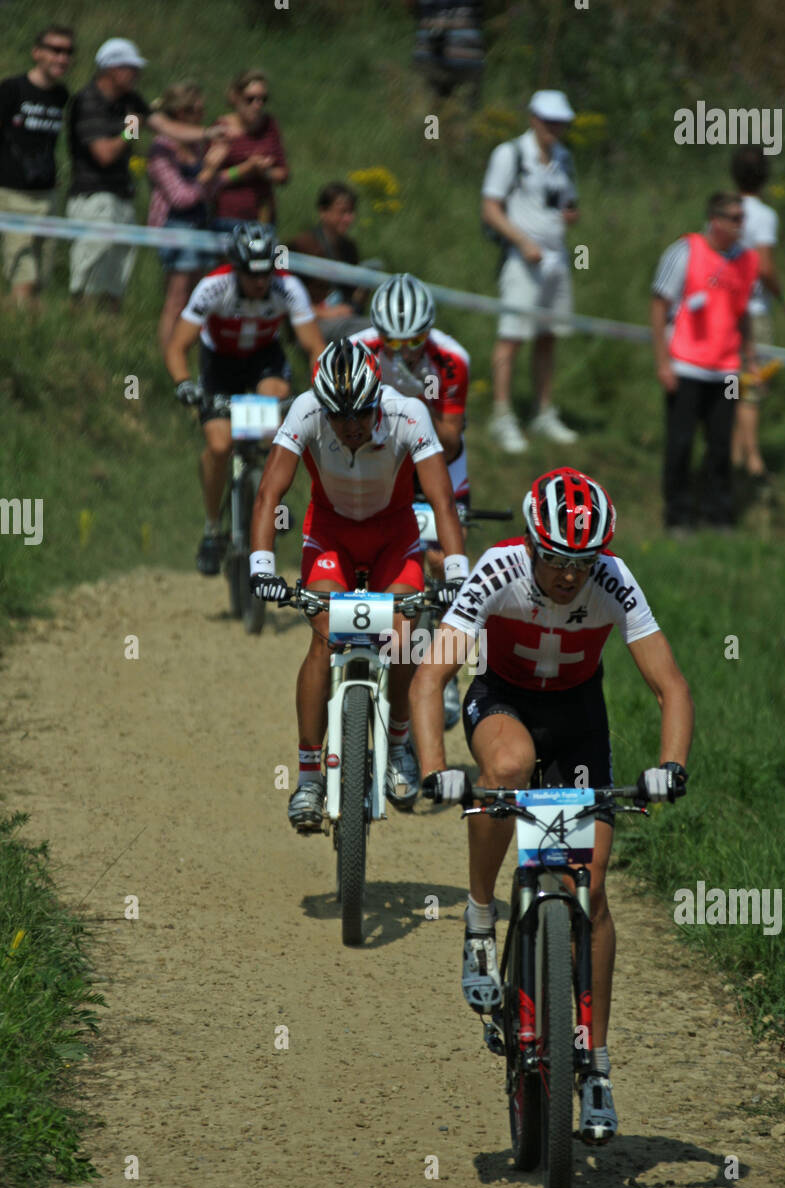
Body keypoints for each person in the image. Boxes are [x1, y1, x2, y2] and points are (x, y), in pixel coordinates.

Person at [411, 467, 693, 1144]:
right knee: (506, 770)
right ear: (532, 544)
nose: (569, 576)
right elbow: (432, 676)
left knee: (590, 888)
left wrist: (672, 767)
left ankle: (594, 1063)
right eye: (556, 560)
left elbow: (671, 687)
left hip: (577, 718)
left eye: (582, 563)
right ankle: (481, 921)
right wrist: (433, 770)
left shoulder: (615, 579)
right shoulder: (498, 566)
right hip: (504, 701)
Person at [248, 337, 468, 828]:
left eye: (360, 416)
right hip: (330, 537)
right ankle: (308, 778)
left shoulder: (409, 414)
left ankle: (399, 743)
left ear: (377, 401)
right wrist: (261, 567)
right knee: (324, 638)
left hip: (394, 538)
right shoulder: (305, 410)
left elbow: (443, 502)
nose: (349, 428)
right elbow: (268, 493)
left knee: (405, 636)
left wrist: (456, 573)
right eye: (337, 417)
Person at [164, 221, 324, 574]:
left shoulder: (288, 287)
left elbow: (314, 344)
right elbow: (178, 344)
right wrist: (183, 383)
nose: (260, 281)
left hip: (263, 361)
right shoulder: (214, 286)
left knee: (275, 407)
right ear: (235, 269)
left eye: (266, 272)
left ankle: (270, 491)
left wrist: (319, 386)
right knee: (219, 447)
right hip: (220, 364)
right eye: (252, 274)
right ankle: (211, 527)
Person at [351, 271, 471, 727]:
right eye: (393, 343)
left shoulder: (452, 359)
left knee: (443, 557)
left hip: (438, 457)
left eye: (413, 341)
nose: (402, 351)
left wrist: (414, 399)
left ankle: (447, 663)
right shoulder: (358, 351)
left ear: (430, 331)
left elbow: (452, 441)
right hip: (382, 456)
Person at [67, 37, 216, 309]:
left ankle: (107, 331)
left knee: (116, 277)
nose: (137, 74)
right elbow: (104, 154)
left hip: (121, 196)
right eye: (131, 68)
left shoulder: (131, 100)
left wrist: (209, 133)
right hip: (94, 197)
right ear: (112, 69)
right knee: (90, 272)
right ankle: (80, 325)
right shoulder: (87, 101)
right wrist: (129, 132)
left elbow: (168, 127)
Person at [650, 192, 760, 535]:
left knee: (720, 444)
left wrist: (750, 359)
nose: (740, 225)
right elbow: (658, 305)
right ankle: (678, 516)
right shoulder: (684, 251)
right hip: (686, 366)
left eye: (742, 218)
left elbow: (744, 315)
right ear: (715, 220)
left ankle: (718, 514)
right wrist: (662, 361)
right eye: (734, 218)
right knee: (681, 443)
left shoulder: (746, 261)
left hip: (726, 369)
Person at [481, 89, 580, 454]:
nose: (556, 128)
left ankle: (542, 410)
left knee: (548, 334)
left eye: (561, 122)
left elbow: (565, 203)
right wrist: (522, 241)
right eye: (550, 120)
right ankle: (502, 414)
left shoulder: (564, 159)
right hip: (522, 259)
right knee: (512, 335)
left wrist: (569, 216)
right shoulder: (510, 154)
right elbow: (490, 207)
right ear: (534, 119)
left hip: (557, 257)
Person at [730, 147, 785, 480]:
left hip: (724, 309)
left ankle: (735, 454)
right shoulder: (765, 216)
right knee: (752, 387)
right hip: (753, 310)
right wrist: (783, 298)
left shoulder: (723, 210)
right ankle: (753, 460)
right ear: (765, 178)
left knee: (733, 384)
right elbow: (766, 267)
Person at [147, 81, 228, 352]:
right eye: (197, 111)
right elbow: (180, 197)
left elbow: (210, 188)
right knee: (176, 299)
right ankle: (168, 354)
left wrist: (233, 171)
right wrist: (209, 171)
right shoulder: (161, 149)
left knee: (197, 299)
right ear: (182, 113)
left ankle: (188, 353)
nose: (202, 118)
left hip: (200, 224)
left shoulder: (196, 148)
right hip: (175, 226)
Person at [0, 24, 74, 305]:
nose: (62, 58)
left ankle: (29, 339)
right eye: (55, 50)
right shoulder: (12, 89)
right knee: (23, 276)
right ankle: (19, 338)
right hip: (13, 194)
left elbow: (137, 131)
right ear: (37, 53)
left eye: (68, 52)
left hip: (47, 195)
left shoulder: (62, 96)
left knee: (40, 279)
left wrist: (133, 123)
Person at [208, 69, 288, 239]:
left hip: (263, 218)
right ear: (236, 97)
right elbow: (210, 178)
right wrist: (247, 168)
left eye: (262, 99)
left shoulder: (270, 126)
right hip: (227, 217)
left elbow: (284, 173)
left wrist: (264, 172)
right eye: (250, 99)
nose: (257, 105)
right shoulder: (220, 129)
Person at [287, 182, 368, 341]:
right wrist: (324, 312)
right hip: (310, 323)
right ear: (323, 212)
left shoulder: (349, 248)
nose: (348, 218)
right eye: (342, 212)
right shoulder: (300, 244)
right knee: (370, 330)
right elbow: (280, 293)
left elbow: (351, 295)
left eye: (351, 212)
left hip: (343, 320)